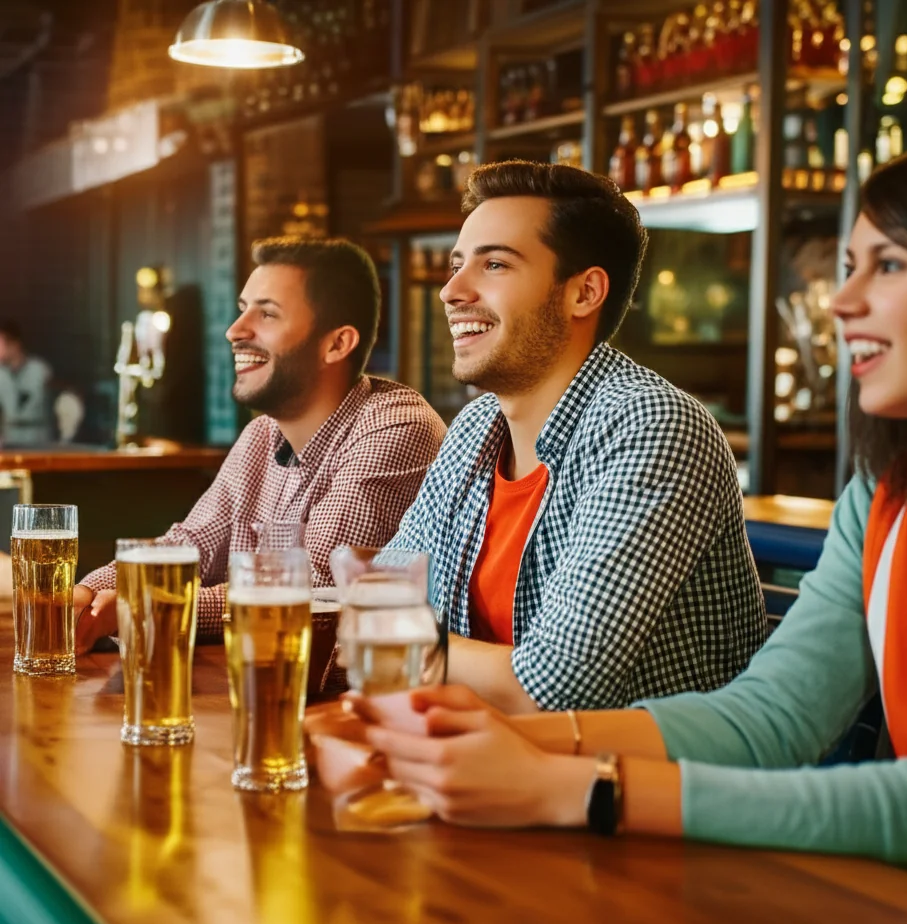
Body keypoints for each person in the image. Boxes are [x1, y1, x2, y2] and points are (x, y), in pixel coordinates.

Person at [311, 136, 907, 924]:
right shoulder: (883, 494)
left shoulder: (652, 423)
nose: (841, 303)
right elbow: (768, 719)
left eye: (889, 265)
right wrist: (506, 748)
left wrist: (570, 783)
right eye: (848, 268)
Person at [383, 160, 766, 713]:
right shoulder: (475, 427)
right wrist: (393, 631)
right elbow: (384, 590)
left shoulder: (652, 426)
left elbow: (558, 686)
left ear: (584, 292)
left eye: (494, 264)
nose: (451, 291)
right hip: (478, 751)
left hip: (630, 766)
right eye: (457, 265)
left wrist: (398, 640)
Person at [75, 237, 446, 651]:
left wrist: (152, 604)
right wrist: (87, 593)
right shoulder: (262, 433)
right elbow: (192, 543)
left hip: (342, 687)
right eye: (242, 309)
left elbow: (316, 589)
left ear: (337, 344)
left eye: (267, 313)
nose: (235, 331)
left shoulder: (396, 427)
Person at [0, 320, 54, 446]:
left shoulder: (40, 370)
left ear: (14, 345)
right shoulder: (0, 375)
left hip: (39, 442)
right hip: (9, 441)